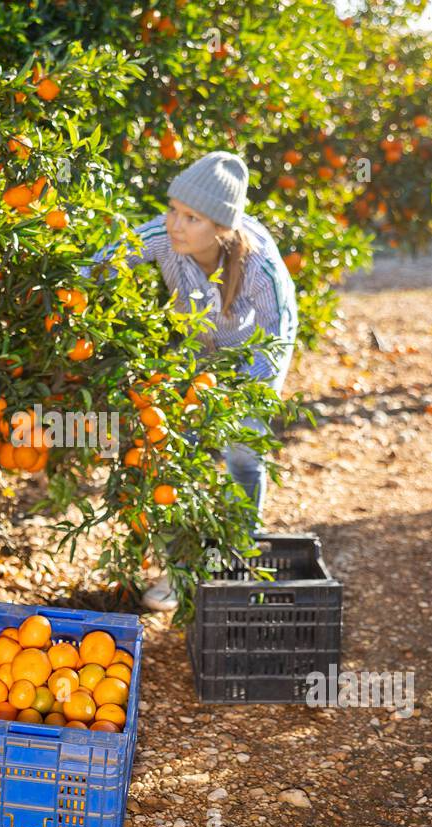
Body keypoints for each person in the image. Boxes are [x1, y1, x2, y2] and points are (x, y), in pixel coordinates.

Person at [83, 150, 299, 612]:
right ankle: (178, 567)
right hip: (196, 350)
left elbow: (275, 344)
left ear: (221, 227)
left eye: (192, 217)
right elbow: (101, 268)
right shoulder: (165, 237)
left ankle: (240, 550)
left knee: (242, 451)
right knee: (172, 454)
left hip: (252, 355)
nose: (176, 224)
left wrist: (237, 405)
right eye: (173, 210)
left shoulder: (261, 268)